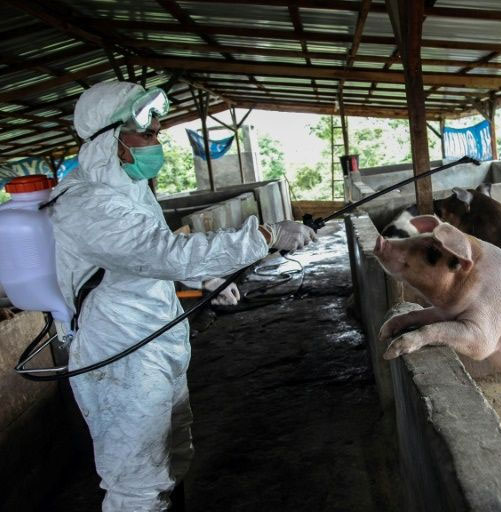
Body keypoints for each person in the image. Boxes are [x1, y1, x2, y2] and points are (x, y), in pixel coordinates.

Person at [49, 81, 316, 511]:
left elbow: (147, 258)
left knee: (171, 457)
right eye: (147, 134)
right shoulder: (86, 203)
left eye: (157, 133)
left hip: (154, 338)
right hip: (120, 352)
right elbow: (162, 252)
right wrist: (265, 236)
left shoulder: (129, 188)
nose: (157, 143)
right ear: (111, 140)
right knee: (137, 481)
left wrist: (205, 278)